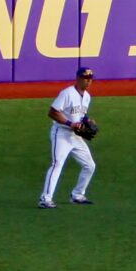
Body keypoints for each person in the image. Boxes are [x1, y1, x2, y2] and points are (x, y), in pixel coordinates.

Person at [39, 66, 97, 209]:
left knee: (90, 165)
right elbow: (52, 112)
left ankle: (77, 195)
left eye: (90, 79)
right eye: (85, 78)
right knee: (57, 164)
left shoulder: (87, 97)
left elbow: (80, 115)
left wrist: (88, 120)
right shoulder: (67, 93)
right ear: (78, 79)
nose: (88, 82)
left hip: (75, 136)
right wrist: (70, 123)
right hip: (61, 134)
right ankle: (45, 199)